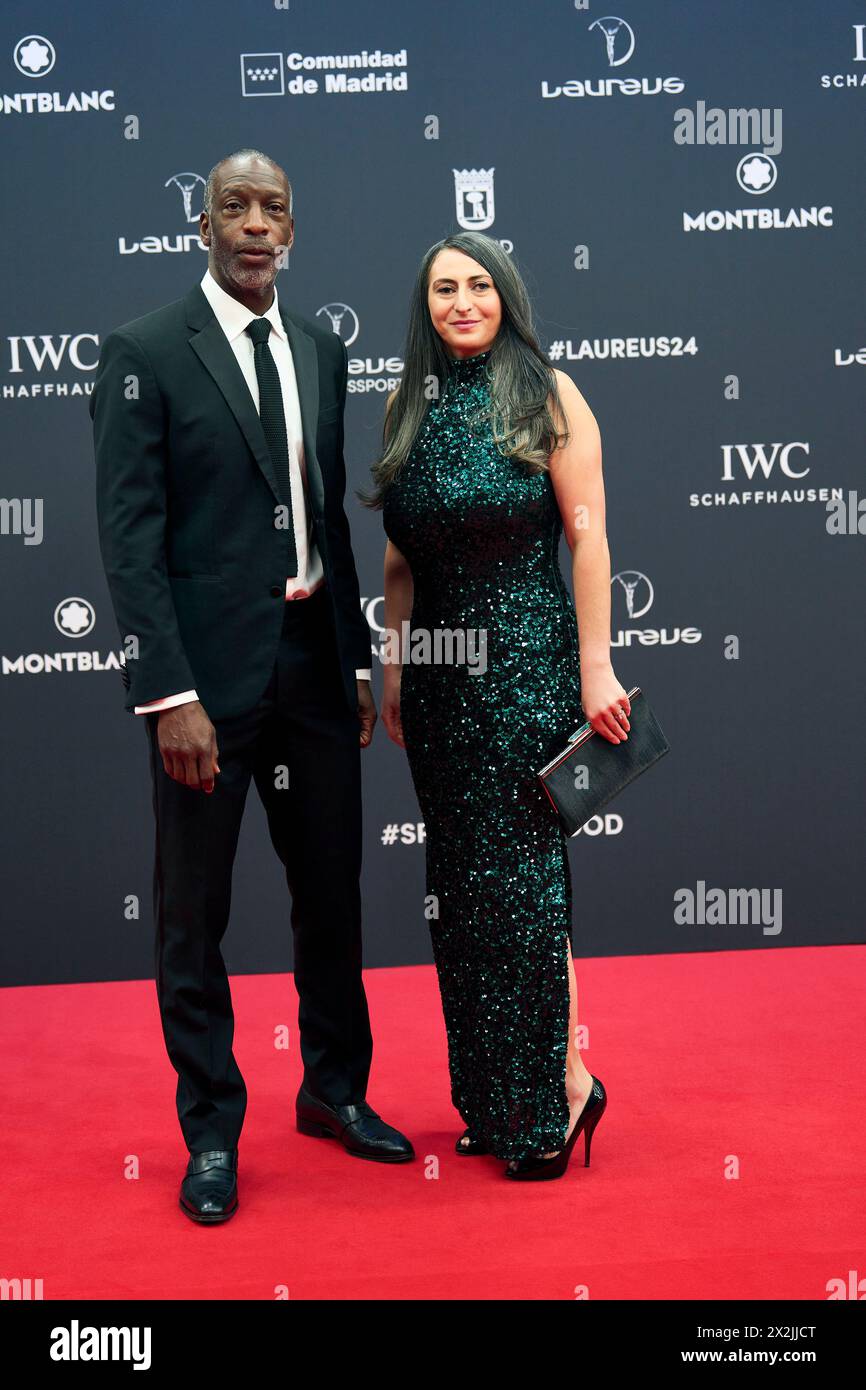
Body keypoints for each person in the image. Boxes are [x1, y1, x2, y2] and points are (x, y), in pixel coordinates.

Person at [91, 148, 414, 1224]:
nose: (255, 223)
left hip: (313, 665)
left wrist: (356, 659)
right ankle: (212, 1131)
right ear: (202, 223)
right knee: (195, 912)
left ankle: (333, 1090)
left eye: (273, 207)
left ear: (292, 227)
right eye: (234, 205)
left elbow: (324, 517)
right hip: (205, 684)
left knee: (330, 894)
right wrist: (167, 692)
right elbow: (130, 540)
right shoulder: (144, 352)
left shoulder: (319, 347)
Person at [366, 231, 628, 1179]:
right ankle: (489, 1099)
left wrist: (595, 669)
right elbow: (400, 558)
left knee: (523, 891)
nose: (463, 301)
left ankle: (558, 1091)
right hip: (438, 680)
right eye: (445, 288)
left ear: (506, 295)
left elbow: (588, 540)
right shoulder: (408, 406)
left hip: (527, 669)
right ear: (425, 304)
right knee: (463, 899)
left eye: (480, 284)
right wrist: (394, 668)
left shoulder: (549, 394)